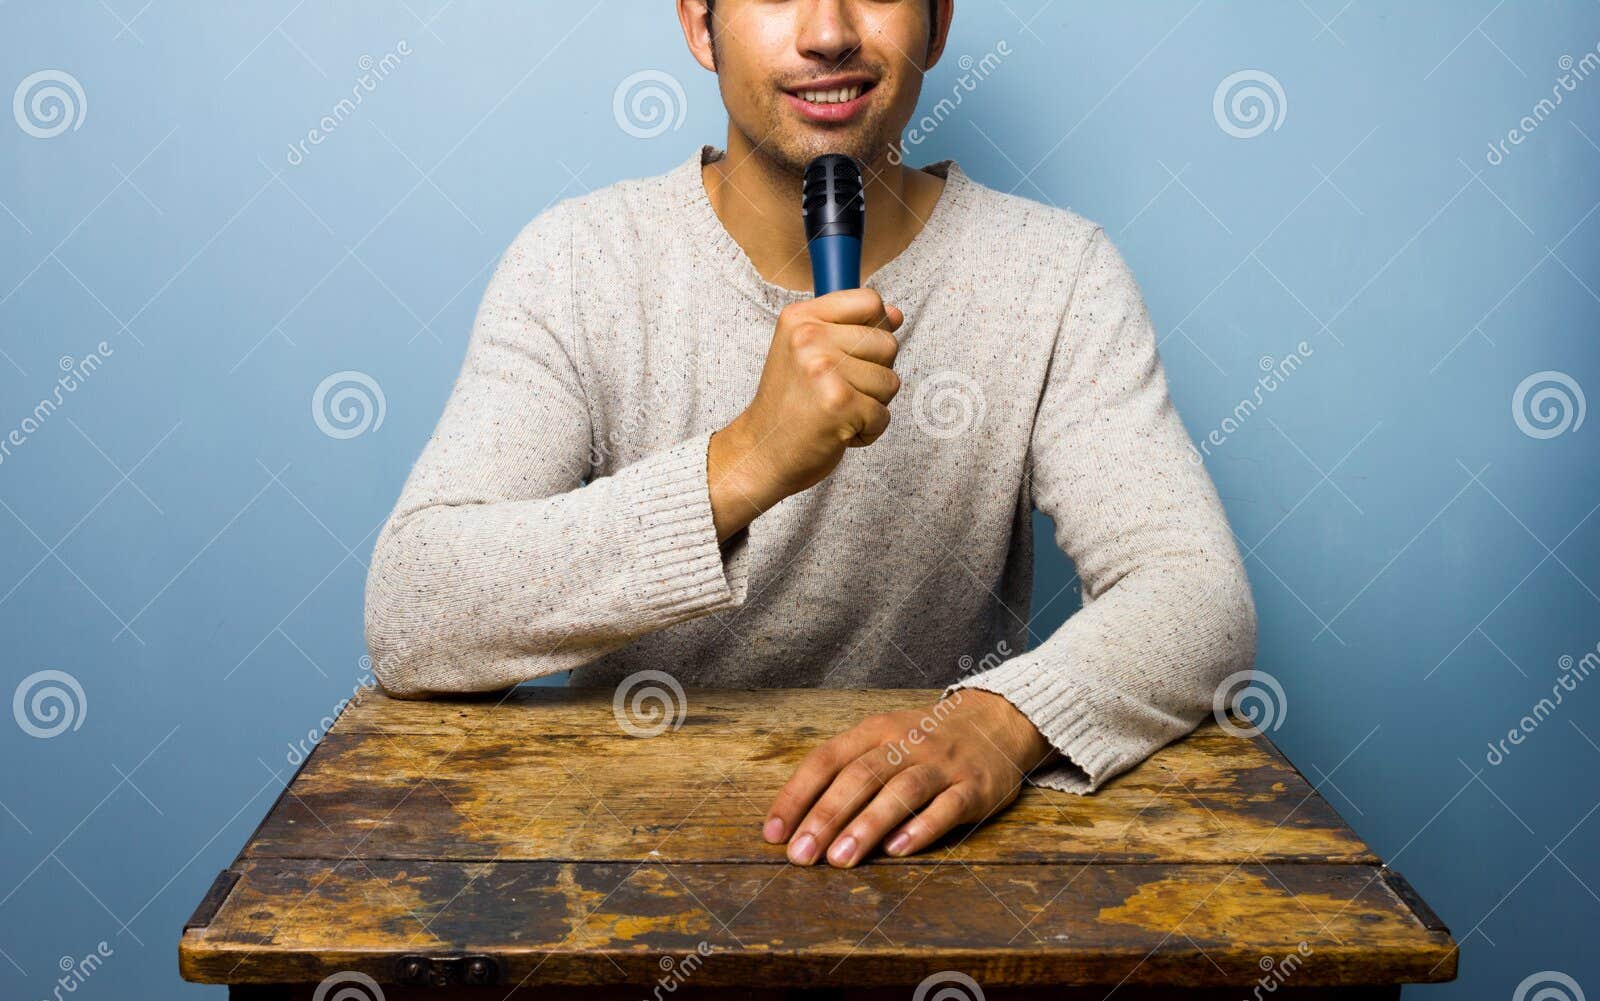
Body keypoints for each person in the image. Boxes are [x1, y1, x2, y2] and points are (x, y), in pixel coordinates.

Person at [364, 0, 1256, 870]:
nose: (828, 33)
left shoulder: (1057, 274)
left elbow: (1197, 595)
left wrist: (998, 723)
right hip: (622, 864)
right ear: (697, 25)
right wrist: (747, 459)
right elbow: (415, 607)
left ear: (940, 23)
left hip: (926, 876)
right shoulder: (576, 262)